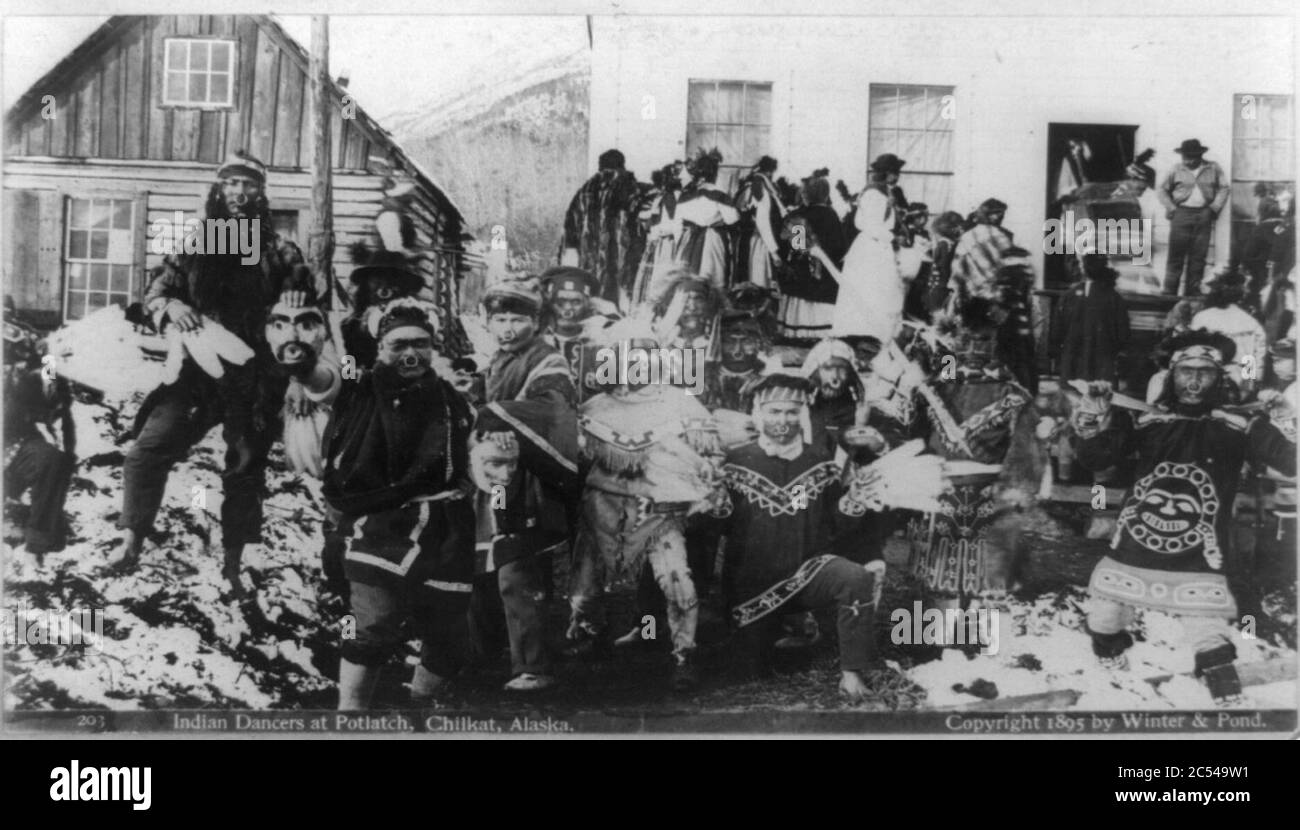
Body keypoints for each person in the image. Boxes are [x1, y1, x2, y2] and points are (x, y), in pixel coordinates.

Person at [109, 151, 306, 593]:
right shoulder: (196, 244)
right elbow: (155, 293)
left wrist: (295, 322)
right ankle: (130, 537)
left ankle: (234, 561)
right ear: (219, 190)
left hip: (253, 377)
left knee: (244, 467)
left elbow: (304, 317)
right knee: (148, 448)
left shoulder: (281, 252)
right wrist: (172, 304)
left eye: (248, 185)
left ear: (261, 193)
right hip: (196, 373)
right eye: (231, 184)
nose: (239, 193)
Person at [1070, 329, 1296, 703]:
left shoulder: (1240, 426)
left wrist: (1285, 421)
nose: (1193, 380)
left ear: (1219, 376)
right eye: (1185, 371)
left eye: (1204, 372)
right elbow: (1095, 460)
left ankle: (1229, 703)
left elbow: (1290, 462)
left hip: (1199, 553)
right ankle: (1111, 665)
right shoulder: (1146, 421)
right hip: (1135, 545)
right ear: (1171, 376)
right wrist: (1092, 417)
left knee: (1208, 633)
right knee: (1104, 620)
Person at [321, 305, 476, 709]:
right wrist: (303, 361)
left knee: (450, 634)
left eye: (421, 344)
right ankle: (349, 717)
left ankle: (418, 708)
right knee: (372, 624)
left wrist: (478, 475)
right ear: (380, 349)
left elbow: (472, 455)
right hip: (376, 522)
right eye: (398, 345)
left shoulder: (451, 400)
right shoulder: (358, 390)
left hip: (443, 524)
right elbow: (321, 381)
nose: (411, 354)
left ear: (434, 347)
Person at [708, 370, 886, 702]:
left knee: (854, 578)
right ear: (758, 413)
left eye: (792, 411)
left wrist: (855, 500)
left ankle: (852, 674)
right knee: (748, 673)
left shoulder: (818, 462)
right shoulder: (734, 462)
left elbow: (832, 525)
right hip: (753, 588)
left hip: (808, 574)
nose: (783, 419)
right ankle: (778, 631)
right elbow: (714, 529)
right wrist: (711, 502)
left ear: (802, 414)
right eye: (775, 411)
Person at [565, 319, 724, 691]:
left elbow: (712, 455)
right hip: (602, 508)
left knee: (677, 581)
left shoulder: (682, 403)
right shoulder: (595, 406)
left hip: (660, 513)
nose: (636, 365)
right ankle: (593, 635)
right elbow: (572, 458)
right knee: (584, 591)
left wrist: (704, 472)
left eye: (644, 357)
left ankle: (684, 654)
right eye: (626, 357)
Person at [476, 276, 580, 687]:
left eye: (517, 319)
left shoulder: (547, 360)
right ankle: (488, 651)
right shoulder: (499, 358)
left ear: (536, 321)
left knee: (520, 569)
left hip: (531, 480)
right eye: (499, 318)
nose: (507, 328)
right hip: (498, 475)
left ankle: (533, 667)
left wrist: (496, 415)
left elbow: (555, 411)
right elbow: (482, 399)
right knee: (492, 561)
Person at [908, 297, 1043, 611]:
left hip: (988, 494)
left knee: (985, 579)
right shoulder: (936, 389)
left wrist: (1013, 494)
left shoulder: (1013, 394)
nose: (974, 348)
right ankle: (941, 633)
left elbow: (1025, 454)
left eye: (983, 340)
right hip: (939, 492)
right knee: (940, 580)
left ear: (996, 343)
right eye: (966, 339)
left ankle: (980, 627)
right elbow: (913, 436)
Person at [3, 321, 75, 557]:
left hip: (12, 450)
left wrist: (49, 362)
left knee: (52, 460)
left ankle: (37, 542)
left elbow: (51, 397)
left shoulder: (19, 351)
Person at [833, 154, 907, 342]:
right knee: (872, 287)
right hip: (872, 246)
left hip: (878, 245)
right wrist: (892, 237)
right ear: (886, 173)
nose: (897, 176)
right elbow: (868, 224)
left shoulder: (883, 192)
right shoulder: (874, 194)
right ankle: (865, 331)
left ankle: (876, 331)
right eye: (894, 172)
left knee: (880, 288)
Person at [561, 148, 644, 306]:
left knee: (618, 285)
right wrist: (572, 245)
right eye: (605, 170)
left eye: (611, 170)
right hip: (595, 252)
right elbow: (572, 219)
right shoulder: (587, 191)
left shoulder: (629, 189)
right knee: (596, 285)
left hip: (619, 251)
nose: (607, 175)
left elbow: (638, 221)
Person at [775, 172, 846, 341]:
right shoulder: (830, 215)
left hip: (800, 272)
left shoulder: (797, 215)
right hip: (824, 272)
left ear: (805, 194)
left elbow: (795, 247)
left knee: (800, 291)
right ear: (826, 194)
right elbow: (839, 247)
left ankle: (797, 331)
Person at [340, 241, 427, 372]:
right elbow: (348, 373)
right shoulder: (350, 328)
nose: (385, 284)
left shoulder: (418, 326)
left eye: (393, 278)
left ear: (404, 287)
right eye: (378, 277)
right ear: (366, 284)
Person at [1157, 139, 1229, 297]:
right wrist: (1171, 208)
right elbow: (1162, 189)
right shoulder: (1176, 169)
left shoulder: (1213, 168)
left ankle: (1192, 293)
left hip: (1204, 215)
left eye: (1191, 157)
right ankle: (1169, 293)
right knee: (1176, 256)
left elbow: (1224, 188)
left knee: (1198, 256)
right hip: (1181, 214)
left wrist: (1214, 208)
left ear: (1200, 155)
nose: (1187, 160)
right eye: (1185, 157)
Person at [539, 266, 617, 403]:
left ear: (588, 305)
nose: (568, 309)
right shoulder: (537, 342)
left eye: (576, 302)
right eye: (561, 302)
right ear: (550, 304)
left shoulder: (602, 343)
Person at [1054, 254, 1131, 386]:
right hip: (1103, 360)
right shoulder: (1115, 298)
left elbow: (1057, 330)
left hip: (1073, 359)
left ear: (1083, 269)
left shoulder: (1069, 296)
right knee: (1100, 397)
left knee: (1072, 394)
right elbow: (1123, 334)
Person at [672, 149, 740, 292]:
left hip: (687, 240)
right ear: (714, 173)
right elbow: (732, 219)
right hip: (712, 241)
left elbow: (676, 225)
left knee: (687, 281)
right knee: (713, 281)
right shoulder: (719, 195)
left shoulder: (685, 195)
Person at [1191, 268, 1266, 396]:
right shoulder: (1251, 322)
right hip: (1239, 379)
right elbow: (1252, 356)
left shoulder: (1202, 318)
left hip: (1204, 377)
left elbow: (1192, 351)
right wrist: (1250, 383)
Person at [732, 156, 787, 290]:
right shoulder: (760, 188)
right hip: (760, 240)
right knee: (759, 281)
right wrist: (774, 251)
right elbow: (763, 221)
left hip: (747, 238)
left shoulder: (749, 184)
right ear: (770, 172)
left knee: (749, 278)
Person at [951, 198, 1015, 308]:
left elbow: (958, 266)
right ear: (988, 214)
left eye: (1002, 214)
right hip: (988, 293)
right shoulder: (1003, 236)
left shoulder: (968, 235)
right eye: (997, 213)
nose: (1000, 217)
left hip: (977, 292)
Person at [924, 210, 965, 316]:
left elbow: (941, 263)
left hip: (939, 283)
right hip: (943, 283)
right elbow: (944, 264)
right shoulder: (948, 243)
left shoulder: (944, 243)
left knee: (936, 310)